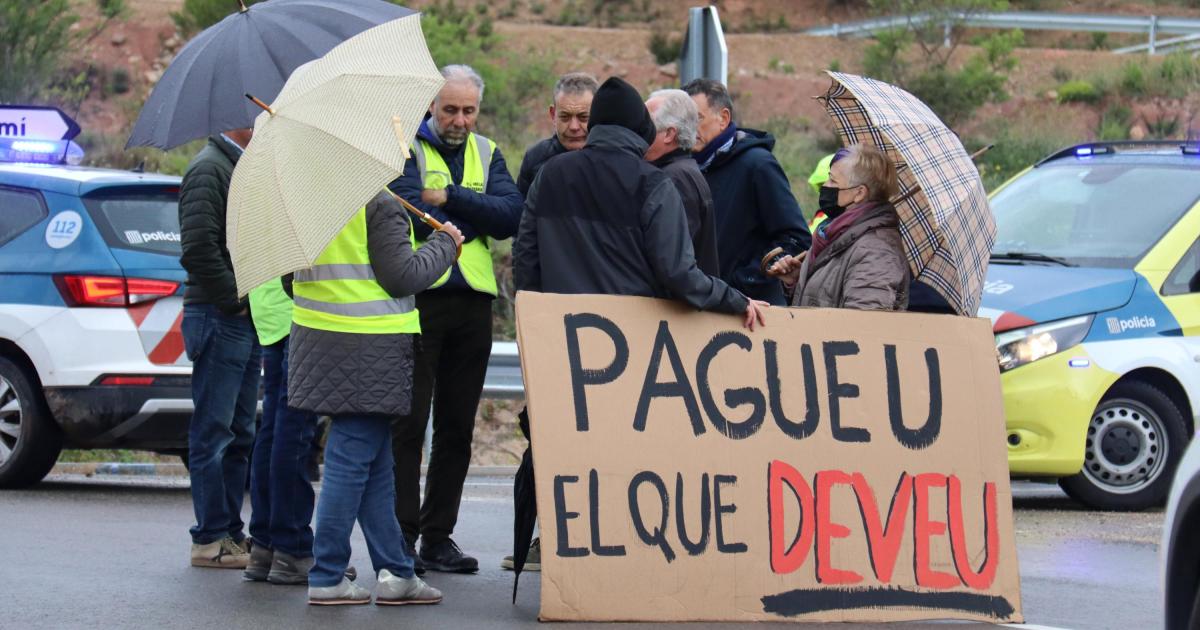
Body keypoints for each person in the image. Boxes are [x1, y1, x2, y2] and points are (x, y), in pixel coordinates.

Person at [292, 191, 464, 606]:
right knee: (349, 462)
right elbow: (402, 276)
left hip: (320, 338)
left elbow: (287, 280)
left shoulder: (307, 201)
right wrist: (446, 244)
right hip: (369, 343)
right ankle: (328, 574)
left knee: (375, 468)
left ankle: (397, 572)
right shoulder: (378, 202)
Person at [389, 64, 523, 575]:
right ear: (431, 106)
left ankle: (437, 537)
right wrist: (471, 216)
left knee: (456, 428)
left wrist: (450, 199)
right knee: (407, 425)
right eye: (450, 110)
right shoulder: (406, 149)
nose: (460, 120)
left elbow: (510, 216)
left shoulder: (487, 152)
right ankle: (401, 538)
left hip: (473, 305)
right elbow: (409, 210)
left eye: (469, 111)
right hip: (420, 299)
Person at [179, 129, 260, 569]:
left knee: (239, 432)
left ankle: (230, 533)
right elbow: (198, 248)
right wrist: (235, 299)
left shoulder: (237, 165)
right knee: (214, 431)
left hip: (239, 315)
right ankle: (209, 539)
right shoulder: (210, 168)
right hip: (219, 314)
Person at [683, 78, 811, 305]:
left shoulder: (758, 164)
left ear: (723, 118)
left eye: (698, 118)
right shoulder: (688, 167)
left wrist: (744, 280)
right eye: (685, 120)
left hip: (752, 309)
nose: (689, 127)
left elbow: (795, 237)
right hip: (704, 302)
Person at [243, 277, 324, 584]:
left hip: (268, 308)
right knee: (295, 428)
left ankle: (265, 546)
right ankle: (292, 547)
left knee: (275, 427)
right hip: (297, 310)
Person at [768, 143, 910, 310]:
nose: (825, 186)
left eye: (833, 180)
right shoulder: (838, 232)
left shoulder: (876, 253)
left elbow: (863, 322)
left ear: (859, 193)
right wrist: (799, 281)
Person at [645, 88, 720, 276]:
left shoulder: (675, 179)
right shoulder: (682, 171)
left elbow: (671, 261)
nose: (638, 132)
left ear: (669, 134)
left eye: (646, 125)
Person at [516, 72, 599, 196]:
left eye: (583, 117)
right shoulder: (535, 158)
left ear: (599, 114)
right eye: (565, 117)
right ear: (553, 114)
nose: (574, 127)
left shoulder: (614, 160)